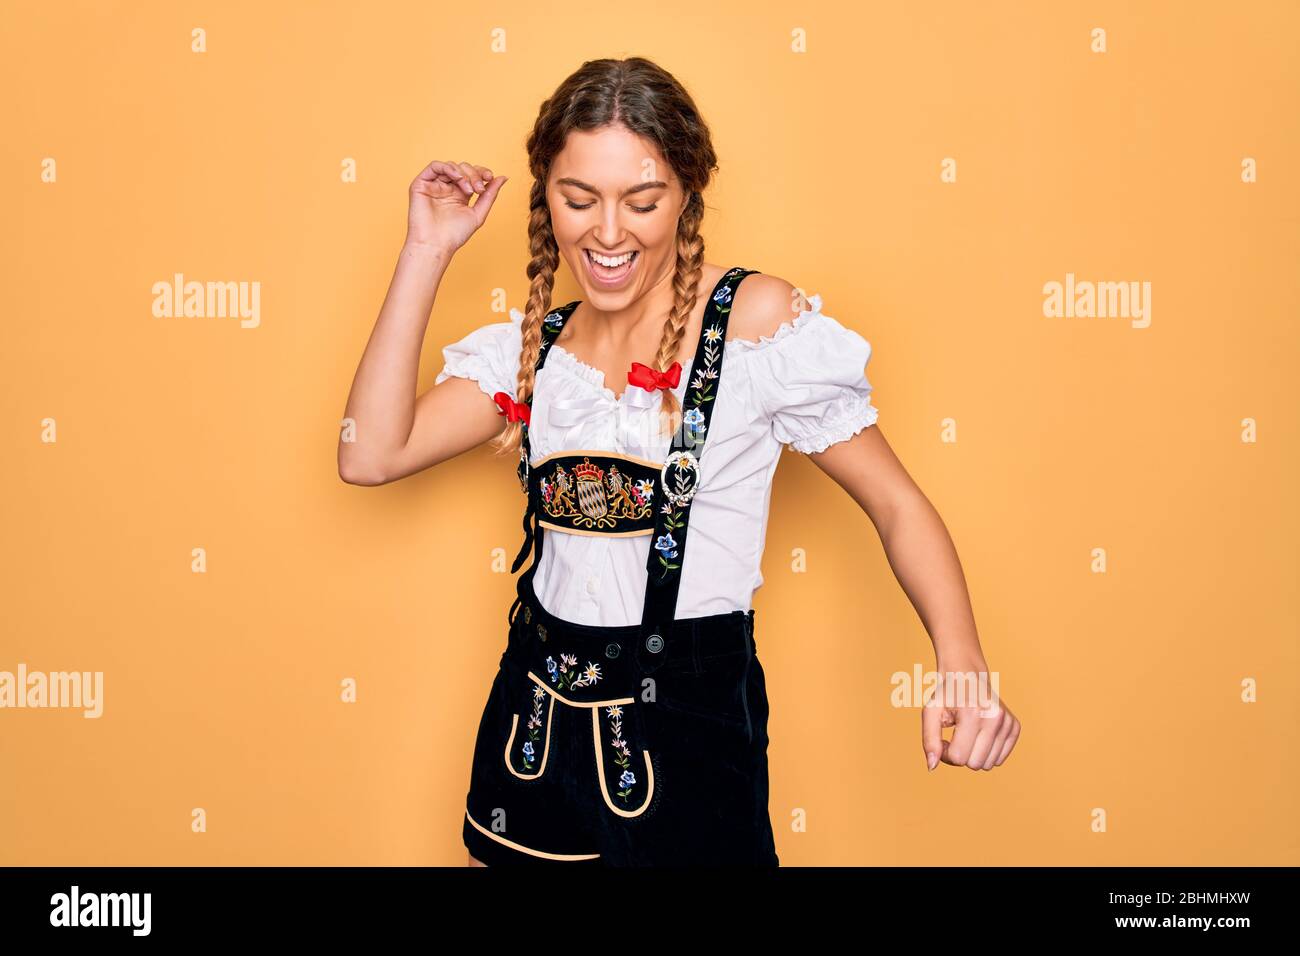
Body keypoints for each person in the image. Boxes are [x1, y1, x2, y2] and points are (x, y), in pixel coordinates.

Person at [338, 56, 1020, 866]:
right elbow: (371, 454)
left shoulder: (756, 325)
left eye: (643, 200)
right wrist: (428, 247)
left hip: (689, 725)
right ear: (543, 195)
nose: (609, 232)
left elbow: (898, 505)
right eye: (578, 198)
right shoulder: (535, 352)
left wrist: (961, 660)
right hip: (535, 721)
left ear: (688, 194)